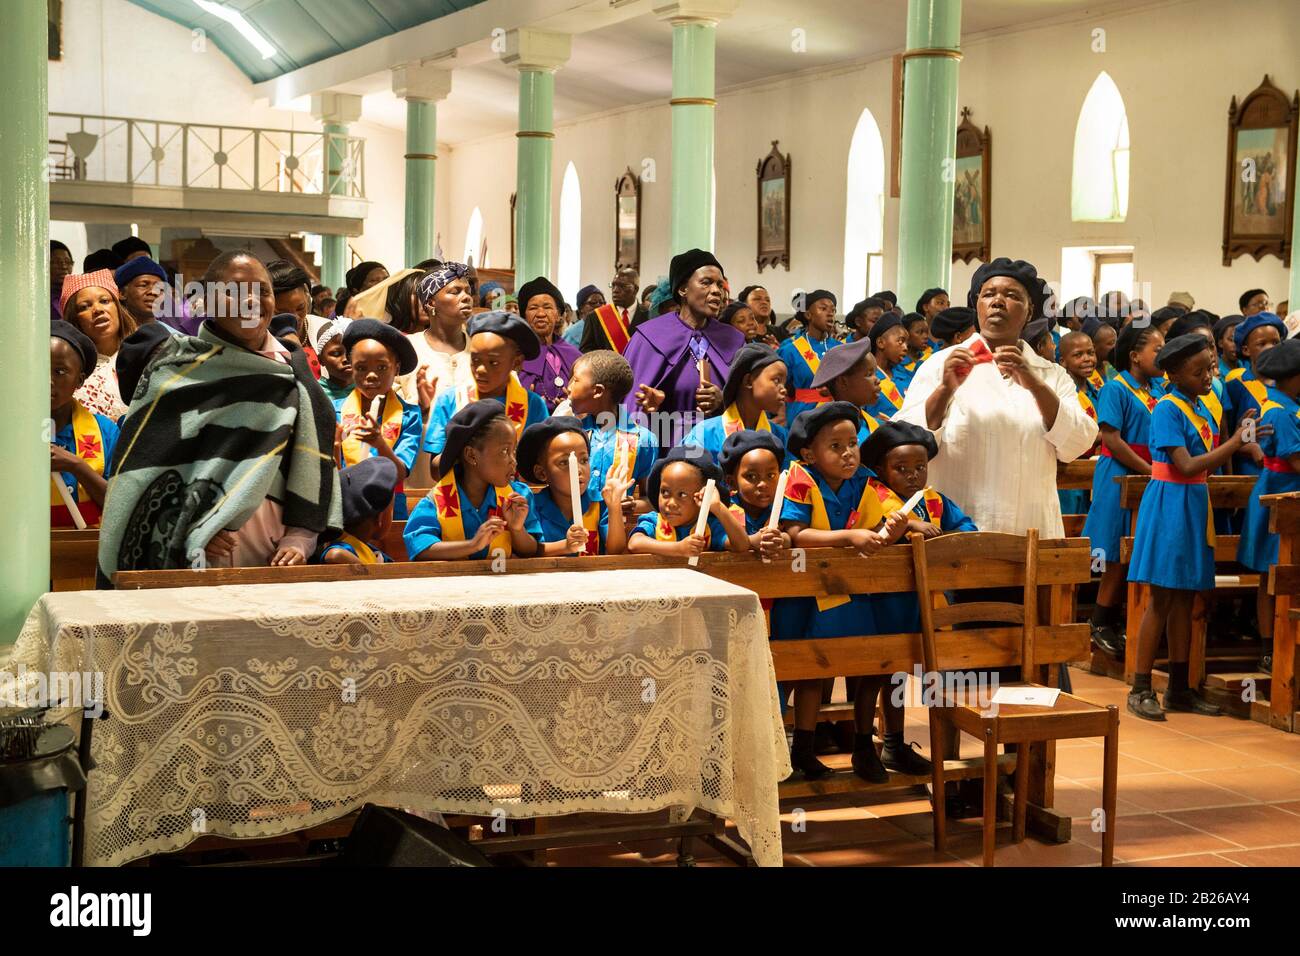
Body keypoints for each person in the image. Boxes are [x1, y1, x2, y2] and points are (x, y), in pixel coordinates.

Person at [98, 250, 341, 582]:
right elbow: (144, 475)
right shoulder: (176, 369)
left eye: (263, 291)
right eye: (236, 291)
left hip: (281, 555)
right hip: (200, 559)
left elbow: (315, 459)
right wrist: (193, 527)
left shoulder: (294, 367)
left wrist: (302, 536)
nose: (252, 301)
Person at [896, 257, 1099, 537]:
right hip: (955, 534)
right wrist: (945, 389)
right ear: (977, 306)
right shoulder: (939, 365)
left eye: (1012, 295)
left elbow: (1078, 443)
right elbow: (908, 443)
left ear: (1029, 313)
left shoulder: (1051, 375)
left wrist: (1034, 384)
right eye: (989, 294)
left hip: (1030, 533)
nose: (998, 301)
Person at [1127, 334, 1266, 720]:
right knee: (1162, 596)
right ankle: (1140, 688)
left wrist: (1244, 433)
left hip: (1194, 503)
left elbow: (1213, 451)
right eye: (1199, 370)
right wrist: (1236, 443)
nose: (1209, 375)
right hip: (1170, 502)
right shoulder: (1167, 409)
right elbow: (1188, 465)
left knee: (1187, 598)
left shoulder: (1204, 404)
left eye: (1210, 367)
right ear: (1172, 373)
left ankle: (1179, 689)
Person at [775, 402, 910, 780]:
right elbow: (796, 534)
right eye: (835, 446)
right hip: (801, 595)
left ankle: (860, 748)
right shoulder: (799, 479)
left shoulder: (864, 479)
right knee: (800, 671)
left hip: (849, 594)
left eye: (852, 442)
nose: (848, 452)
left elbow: (891, 518)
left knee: (861, 664)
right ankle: (789, 748)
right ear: (808, 453)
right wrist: (849, 537)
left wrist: (898, 526)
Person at [1082, 322, 1165, 657]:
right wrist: (1148, 470)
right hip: (1119, 473)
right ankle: (1099, 621)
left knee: (1138, 550)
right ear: (1134, 356)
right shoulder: (1116, 388)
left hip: (1153, 474)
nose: (1164, 354)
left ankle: (1127, 621)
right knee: (1113, 551)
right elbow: (1112, 440)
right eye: (1158, 350)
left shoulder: (1160, 388)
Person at [622, 249, 744, 445]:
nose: (716, 291)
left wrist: (723, 399)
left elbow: (748, 402)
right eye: (706, 282)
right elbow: (629, 407)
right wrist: (651, 405)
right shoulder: (649, 337)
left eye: (720, 285)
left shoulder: (733, 340)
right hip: (666, 445)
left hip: (718, 446)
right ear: (682, 290)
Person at [404, 401, 542, 561]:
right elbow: (421, 549)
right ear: (471, 455)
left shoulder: (519, 496)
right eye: (505, 451)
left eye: (514, 451)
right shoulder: (436, 501)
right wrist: (473, 544)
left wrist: (517, 530)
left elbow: (531, 550)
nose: (514, 461)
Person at [420, 310, 549, 477]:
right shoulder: (452, 399)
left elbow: (540, 467)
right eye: (475, 360)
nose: (480, 369)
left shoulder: (533, 405)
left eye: (493, 362)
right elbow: (436, 471)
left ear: (516, 362)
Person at [1237, 341, 1300, 673]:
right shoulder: (1281, 410)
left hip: (1287, 497)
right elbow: (1295, 459)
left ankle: (1279, 645)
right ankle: (1270, 647)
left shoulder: (1285, 403)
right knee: (1271, 576)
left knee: (1280, 576)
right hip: (1278, 499)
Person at [335, 319, 422, 521]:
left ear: (397, 368)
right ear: (350, 367)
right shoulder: (335, 411)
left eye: (382, 368)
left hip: (390, 509)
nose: (371, 375)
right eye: (362, 367)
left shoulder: (409, 415)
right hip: (344, 506)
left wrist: (379, 443)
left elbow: (400, 473)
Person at [516, 417, 630, 556]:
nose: (578, 469)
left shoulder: (599, 503)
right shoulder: (532, 505)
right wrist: (566, 546)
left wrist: (614, 507)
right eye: (565, 462)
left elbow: (616, 550)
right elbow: (530, 550)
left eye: (584, 460)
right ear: (542, 473)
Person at [566, 350, 659, 515]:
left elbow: (652, 501)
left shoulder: (643, 439)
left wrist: (633, 505)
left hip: (615, 531)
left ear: (598, 391)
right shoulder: (571, 433)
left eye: (576, 380)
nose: (568, 387)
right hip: (574, 531)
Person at [49, 321, 119, 528]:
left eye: (59, 371)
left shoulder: (105, 431)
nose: (48, 379)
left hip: (88, 549)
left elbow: (121, 506)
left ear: (79, 381)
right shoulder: (9, 431)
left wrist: (77, 466)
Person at [626, 445, 751, 557]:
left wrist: (718, 507)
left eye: (682, 494)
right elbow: (634, 543)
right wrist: (679, 548)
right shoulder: (654, 521)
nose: (671, 503)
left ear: (701, 496)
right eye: (664, 492)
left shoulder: (710, 527)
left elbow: (741, 546)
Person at [681, 343, 789, 462]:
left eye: (784, 383)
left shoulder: (780, 435)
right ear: (748, 381)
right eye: (776, 380)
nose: (784, 389)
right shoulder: (705, 433)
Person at [58, 269, 138, 420]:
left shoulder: (143, 352)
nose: (98, 310)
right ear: (74, 319)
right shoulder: (74, 374)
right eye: (84, 307)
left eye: (105, 301)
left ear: (118, 307)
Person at [398, 261, 475, 414]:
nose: (466, 297)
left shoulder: (482, 347)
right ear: (431, 303)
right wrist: (421, 407)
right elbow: (390, 411)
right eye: (455, 291)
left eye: (468, 291)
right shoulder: (407, 348)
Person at [1224, 311, 1286, 477]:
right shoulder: (1238, 386)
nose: (1270, 348)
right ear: (1246, 349)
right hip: (1251, 470)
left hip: (1286, 470)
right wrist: (1251, 447)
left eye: (1275, 342)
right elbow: (1228, 436)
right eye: (1262, 343)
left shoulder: (1288, 384)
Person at [718, 429, 791, 557]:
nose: (763, 484)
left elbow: (793, 536)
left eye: (771, 475)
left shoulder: (785, 506)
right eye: (751, 476)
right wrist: (752, 541)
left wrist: (781, 540)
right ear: (731, 482)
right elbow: (719, 540)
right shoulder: (723, 509)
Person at [517, 277, 582, 412]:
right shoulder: (515, 356)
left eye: (547, 307)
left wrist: (571, 404)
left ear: (558, 315)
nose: (541, 314)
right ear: (524, 315)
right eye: (533, 308)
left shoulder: (574, 355)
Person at [777, 289, 842, 423]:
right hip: (802, 417)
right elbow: (780, 387)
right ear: (808, 315)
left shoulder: (840, 348)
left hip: (837, 415)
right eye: (823, 308)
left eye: (833, 310)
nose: (830, 313)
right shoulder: (790, 349)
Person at [319, 457, 399, 565]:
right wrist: (371, 575)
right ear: (380, 518)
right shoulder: (345, 546)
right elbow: (334, 555)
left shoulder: (369, 550)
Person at [1056, 330, 1101, 517]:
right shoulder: (1061, 394)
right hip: (1068, 474)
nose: (1087, 359)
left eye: (1090, 353)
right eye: (1078, 355)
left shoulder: (1099, 393)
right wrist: (1102, 437)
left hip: (1094, 474)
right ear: (1062, 361)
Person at [810, 337, 883, 443]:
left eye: (875, 373)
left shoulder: (876, 425)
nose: (878, 380)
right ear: (843, 382)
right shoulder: (824, 432)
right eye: (869, 374)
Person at [580, 267, 642, 353]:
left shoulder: (649, 316)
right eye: (613, 285)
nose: (615, 290)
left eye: (622, 286)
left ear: (635, 289)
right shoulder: (595, 317)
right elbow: (585, 351)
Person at [866, 311, 908, 420]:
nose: (905, 347)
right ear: (880, 342)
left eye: (906, 343)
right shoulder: (863, 378)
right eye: (900, 341)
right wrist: (873, 421)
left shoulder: (908, 376)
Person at [113, 256, 168, 330]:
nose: (153, 292)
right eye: (143, 285)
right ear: (122, 293)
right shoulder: (109, 336)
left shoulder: (173, 337)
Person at [893, 312, 933, 393]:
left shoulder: (929, 358)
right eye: (920, 332)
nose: (926, 336)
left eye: (926, 332)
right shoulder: (898, 363)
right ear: (905, 334)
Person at [50, 240, 74, 321]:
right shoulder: (38, 297)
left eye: (67, 262)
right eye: (57, 262)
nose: (64, 267)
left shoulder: (75, 296)